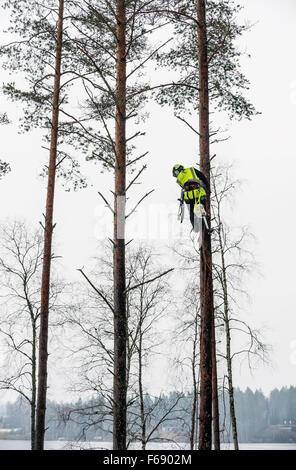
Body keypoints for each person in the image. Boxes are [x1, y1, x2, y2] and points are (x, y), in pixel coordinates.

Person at [172, 164, 209, 231]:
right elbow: (202, 176)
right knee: (201, 207)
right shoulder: (191, 170)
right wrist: (207, 186)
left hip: (188, 197)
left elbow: (184, 188)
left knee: (191, 211)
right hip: (198, 193)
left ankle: (195, 226)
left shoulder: (178, 180)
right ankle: (205, 224)